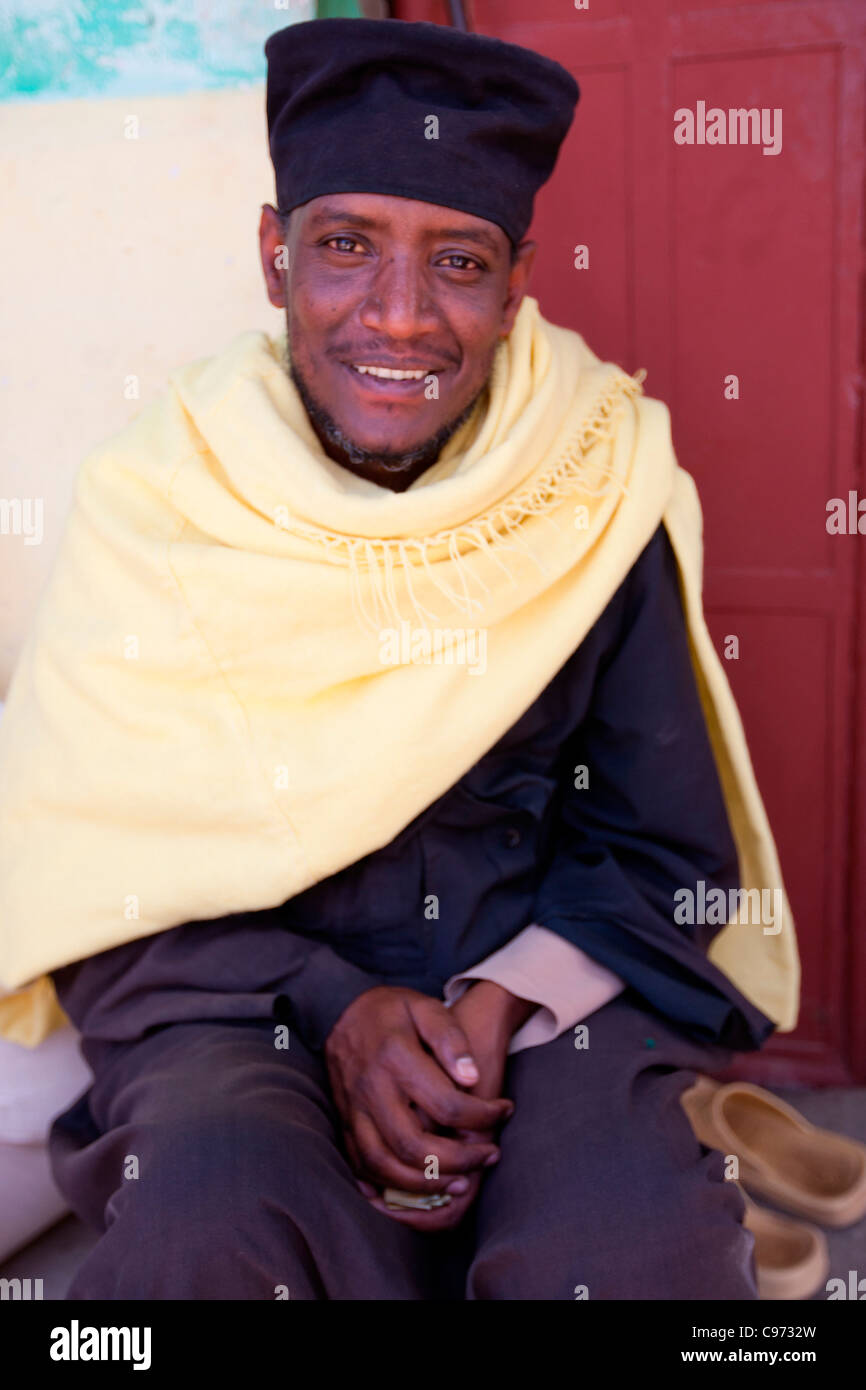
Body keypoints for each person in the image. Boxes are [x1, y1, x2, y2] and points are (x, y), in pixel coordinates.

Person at [0, 18, 799, 1300]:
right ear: (273, 257)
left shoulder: (591, 484)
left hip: (545, 1006)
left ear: (517, 282)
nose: (399, 317)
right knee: (203, 1237)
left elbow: (662, 852)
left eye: (459, 262)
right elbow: (95, 873)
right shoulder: (159, 502)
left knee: (632, 1256)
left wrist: (501, 1003)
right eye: (344, 246)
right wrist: (332, 1006)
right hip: (237, 1006)